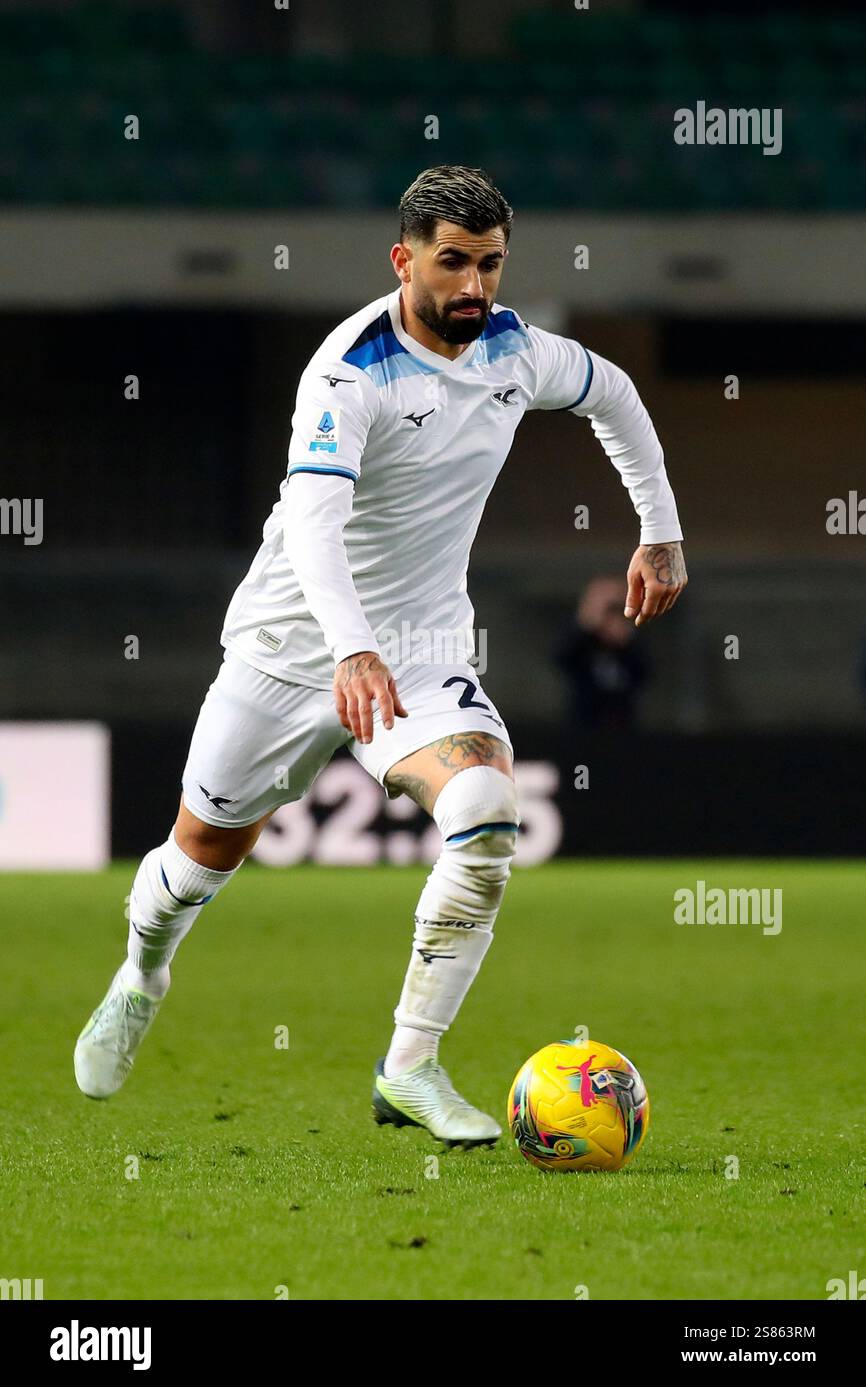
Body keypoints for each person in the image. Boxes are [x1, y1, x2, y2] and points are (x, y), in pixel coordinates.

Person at [74, 165, 687, 1148]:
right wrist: (347, 650)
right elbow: (314, 522)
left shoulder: (514, 352)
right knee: (197, 861)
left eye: (488, 263)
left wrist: (657, 530)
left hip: (420, 653)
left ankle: (408, 1067)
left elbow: (610, 392)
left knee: (486, 814)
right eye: (452, 262)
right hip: (287, 650)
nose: (473, 284)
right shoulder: (348, 372)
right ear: (403, 259)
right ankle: (143, 969)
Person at [555, 576, 651, 730]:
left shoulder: (630, 647)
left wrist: (626, 641)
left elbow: (645, 672)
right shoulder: (582, 643)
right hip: (582, 726)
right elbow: (562, 658)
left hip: (623, 726)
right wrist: (588, 623)